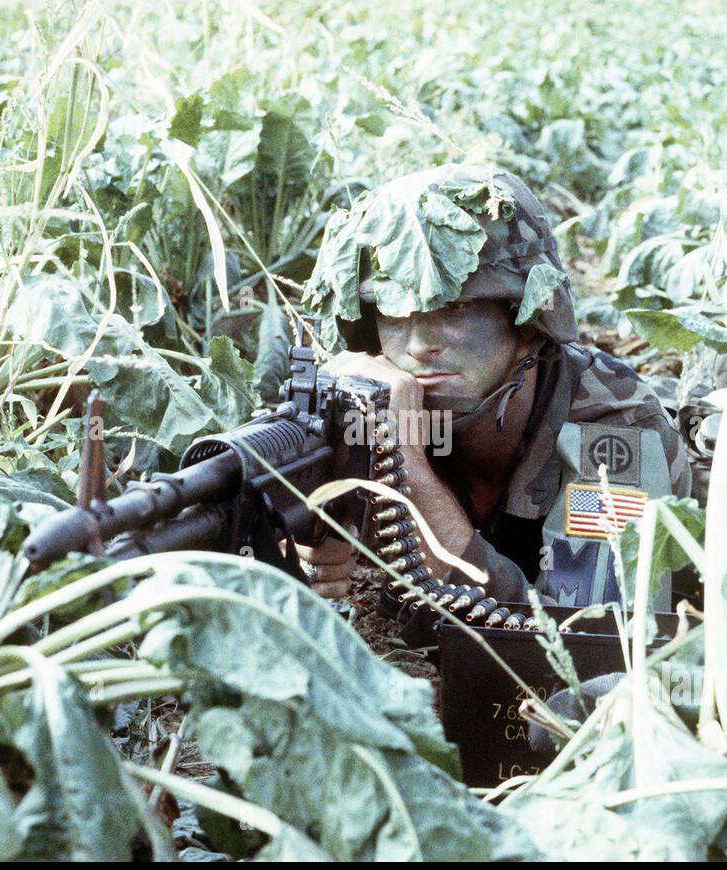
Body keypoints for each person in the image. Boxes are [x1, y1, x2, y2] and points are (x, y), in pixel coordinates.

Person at [296, 163, 691, 621]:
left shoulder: (614, 430)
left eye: (457, 308)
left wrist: (412, 476)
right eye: (393, 310)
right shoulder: (366, 405)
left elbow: (592, 644)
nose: (421, 345)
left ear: (526, 320)